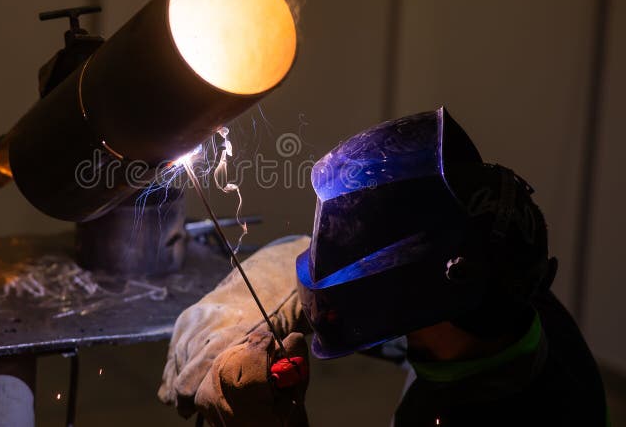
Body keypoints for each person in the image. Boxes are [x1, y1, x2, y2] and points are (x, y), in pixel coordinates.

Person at [158, 108, 609, 426]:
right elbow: (303, 253)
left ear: (422, 301)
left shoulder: (516, 410)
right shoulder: (497, 294)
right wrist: (230, 325)